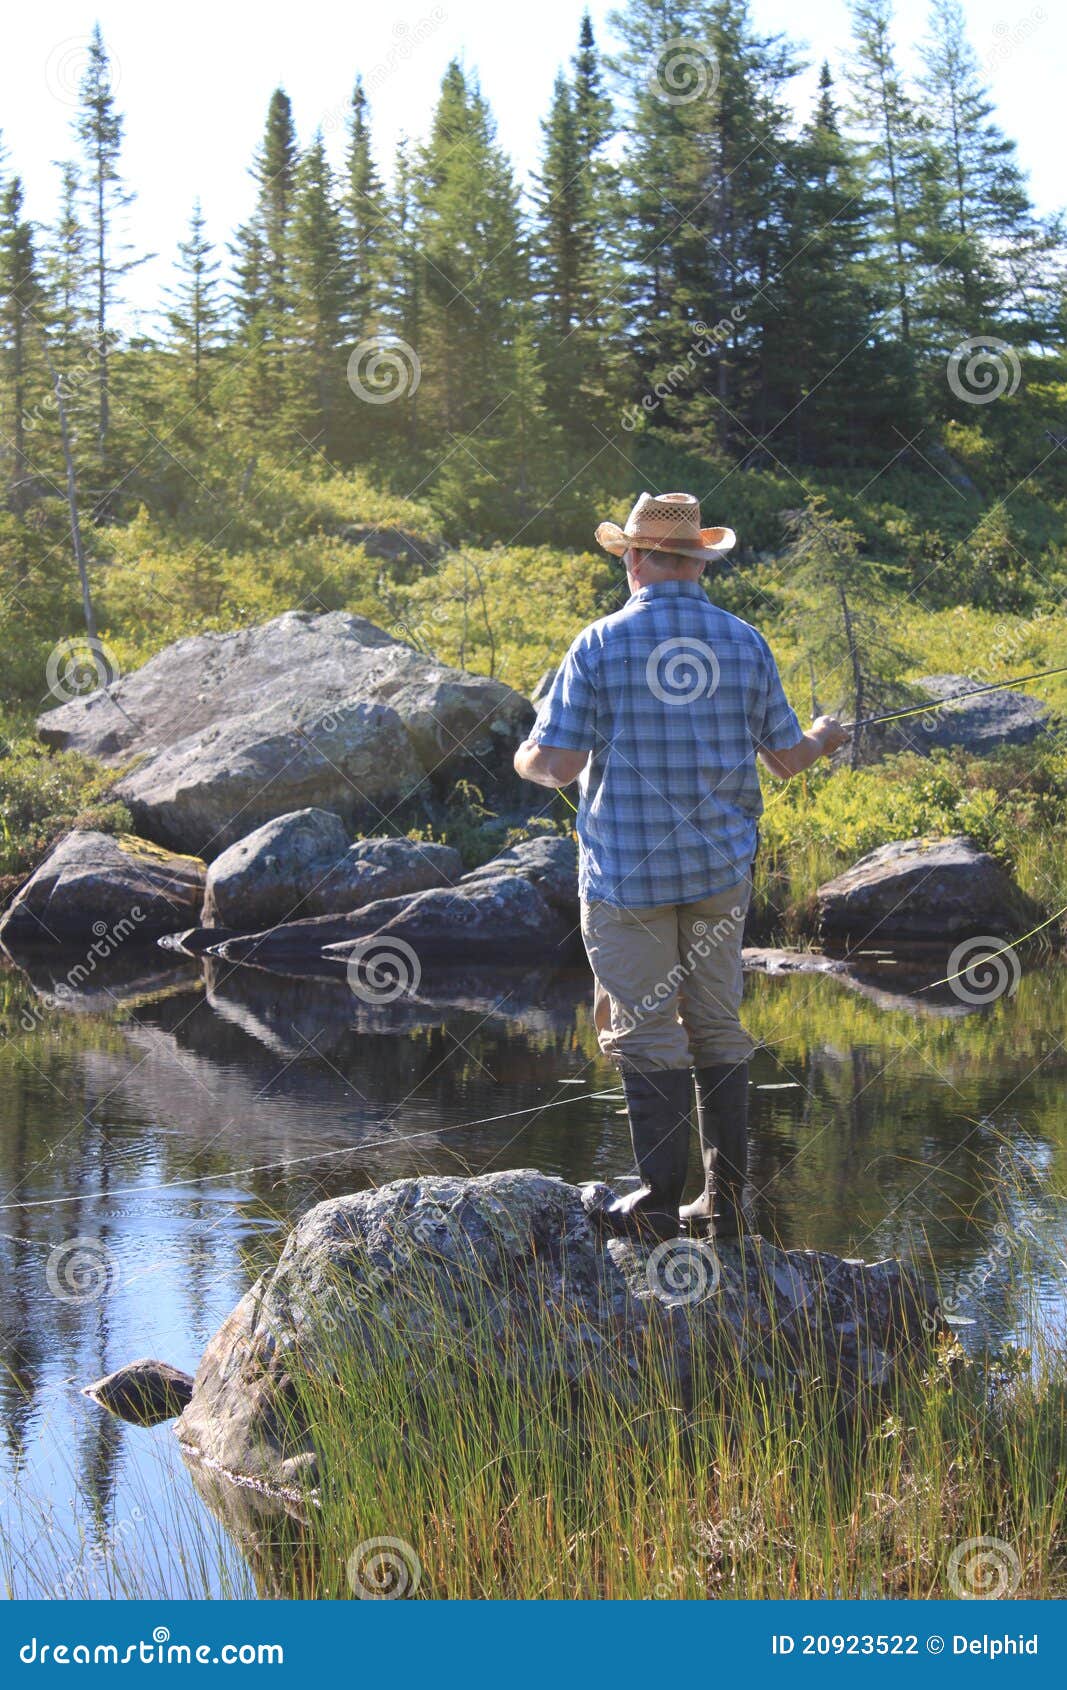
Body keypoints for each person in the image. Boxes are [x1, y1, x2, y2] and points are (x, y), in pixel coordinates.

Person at [514, 492, 849, 1241]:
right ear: (697, 560)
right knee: (716, 1027)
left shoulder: (598, 644)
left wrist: (523, 756)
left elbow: (559, 766)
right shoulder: (744, 641)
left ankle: (658, 1203)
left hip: (628, 878)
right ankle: (725, 1205)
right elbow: (789, 760)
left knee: (644, 1033)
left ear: (633, 559)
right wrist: (825, 736)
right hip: (717, 876)